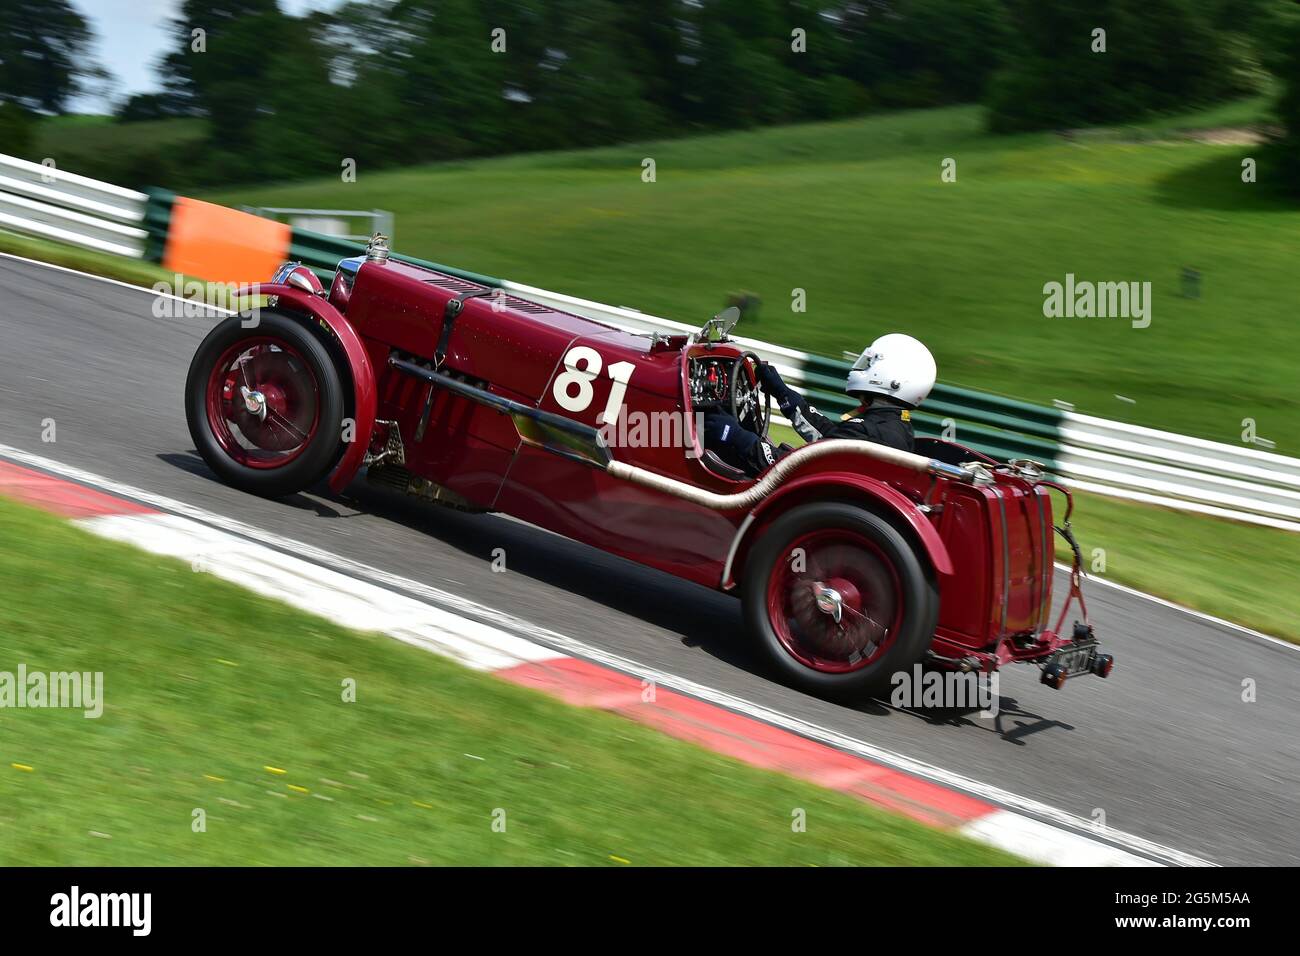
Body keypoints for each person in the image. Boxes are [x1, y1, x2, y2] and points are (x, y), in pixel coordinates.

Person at [702, 333, 937, 478]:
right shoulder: (894, 426)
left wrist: (736, 437)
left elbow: (794, 467)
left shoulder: (870, 432)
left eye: (870, 363)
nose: (861, 367)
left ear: (891, 377)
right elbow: (829, 439)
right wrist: (783, 394)